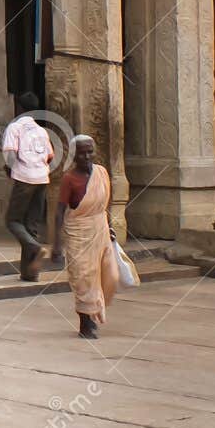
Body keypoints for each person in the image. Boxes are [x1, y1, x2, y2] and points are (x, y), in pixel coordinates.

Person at [54, 135, 119, 340]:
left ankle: (94, 310)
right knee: (83, 278)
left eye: (90, 151)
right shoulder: (69, 179)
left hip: (100, 229)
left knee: (111, 276)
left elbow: (104, 202)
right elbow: (59, 211)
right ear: (74, 155)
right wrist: (57, 245)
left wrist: (108, 226)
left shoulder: (101, 173)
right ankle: (86, 323)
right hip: (78, 232)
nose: (87, 156)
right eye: (82, 153)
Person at [1, 92, 55, 279]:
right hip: (42, 178)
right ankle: (30, 273)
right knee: (31, 225)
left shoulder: (15, 128)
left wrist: (9, 169)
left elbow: (9, 154)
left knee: (13, 220)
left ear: (19, 107)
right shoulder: (42, 131)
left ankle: (34, 247)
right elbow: (50, 156)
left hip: (24, 178)